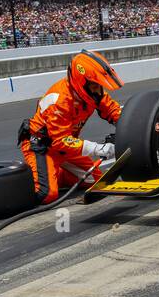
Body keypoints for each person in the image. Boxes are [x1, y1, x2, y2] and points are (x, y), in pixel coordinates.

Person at [20, 50, 123, 203]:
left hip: (67, 147)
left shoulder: (94, 93)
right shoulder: (60, 100)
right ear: (81, 81)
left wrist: (132, 122)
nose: (98, 90)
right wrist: (98, 149)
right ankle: (37, 178)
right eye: (95, 85)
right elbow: (60, 141)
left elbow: (113, 111)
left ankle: (52, 174)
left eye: (99, 85)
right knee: (46, 194)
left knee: (95, 181)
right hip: (41, 147)